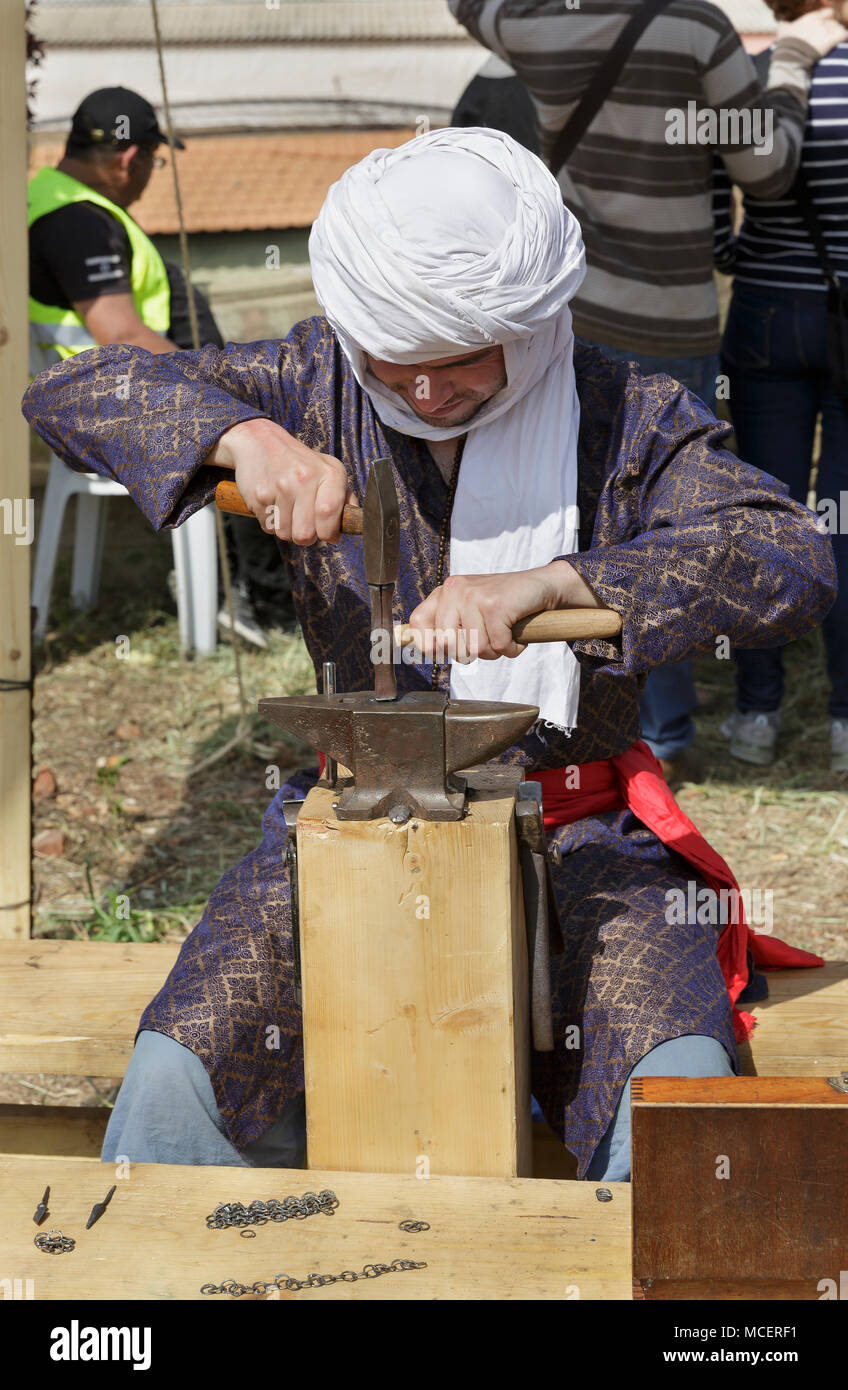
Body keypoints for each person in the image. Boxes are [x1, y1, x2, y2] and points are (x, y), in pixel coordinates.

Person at [23, 129, 834, 1181]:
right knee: (181, 1070)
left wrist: (559, 583)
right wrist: (239, 438)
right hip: (345, 833)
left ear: (532, 323)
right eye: (391, 358)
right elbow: (74, 395)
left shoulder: (623, 416)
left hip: (580, 839)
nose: (422, 390)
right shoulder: (310, 380)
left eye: (457, 359)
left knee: (678, 1098)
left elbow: (788, 556)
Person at [448, 0, 848, 785]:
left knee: (592, 521)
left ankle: (636, 732)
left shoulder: (527, 25)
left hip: (572, 322)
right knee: (683, 523)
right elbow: (766, 168)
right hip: (676, 323)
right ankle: (706, 730)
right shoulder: (697, 29)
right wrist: (794, 60)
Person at [27, 85, 283, 648]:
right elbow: (118, 332)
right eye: (154, 161)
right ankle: (248, 596)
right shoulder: (76, 220)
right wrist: (217, 389)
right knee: (260, 431)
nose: (149, 175)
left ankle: (248, 591)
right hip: (113, 399)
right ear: (129, 157)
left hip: (111, 389)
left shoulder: (54, 199)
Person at [714, 1, 848, 772]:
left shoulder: (759, 77)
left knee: (763, 511)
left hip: (765, 317)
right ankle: (843, 721)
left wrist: (733, 250)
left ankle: (756, 714)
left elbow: (726, 184)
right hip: (845, 322)